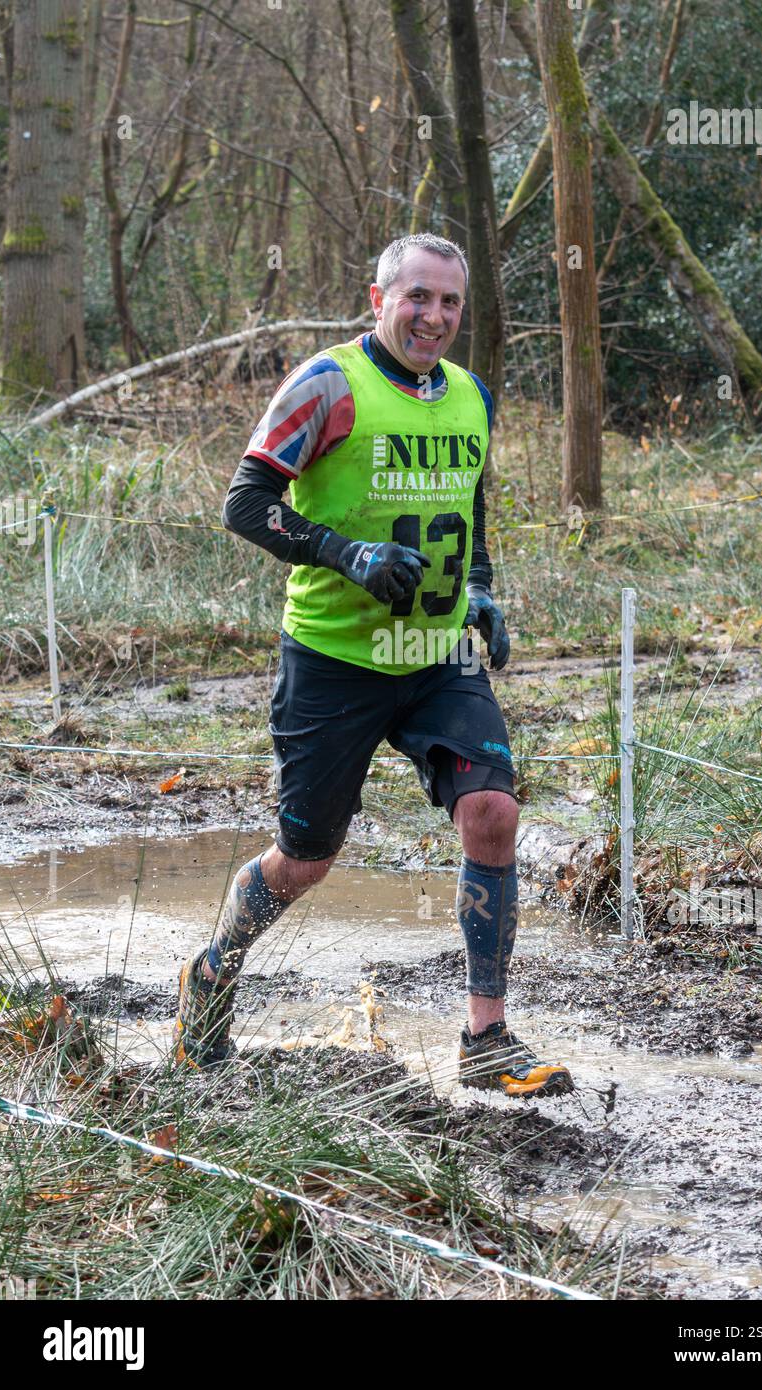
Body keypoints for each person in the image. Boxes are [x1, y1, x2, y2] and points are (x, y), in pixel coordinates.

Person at [173, 232, 572, 1098]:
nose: (433, 316)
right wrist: (344, 554)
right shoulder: (327, 386)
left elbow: (466, 506)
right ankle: (211, 976)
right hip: (334, 661)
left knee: (494, 811)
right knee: (305, 860)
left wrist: (481, 591)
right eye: (417, 298)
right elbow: (245, 503)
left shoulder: (472, 396)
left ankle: (487, 1038)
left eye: (450, 303)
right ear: (378, 297)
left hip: (434, 657)